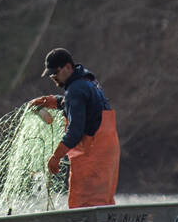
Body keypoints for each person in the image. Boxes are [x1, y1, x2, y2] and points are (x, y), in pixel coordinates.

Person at [27, 47, 119, 208]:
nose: (53, 77)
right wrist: (54, 101)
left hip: (92, 153)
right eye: (50, 74)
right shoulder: (88, 81)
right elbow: (83, 108)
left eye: (55, 72)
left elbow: (75, 131)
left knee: (85, 204)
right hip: (107, 150)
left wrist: (56, 157)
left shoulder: (75, 90)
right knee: (102, 202)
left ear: (68, 67)